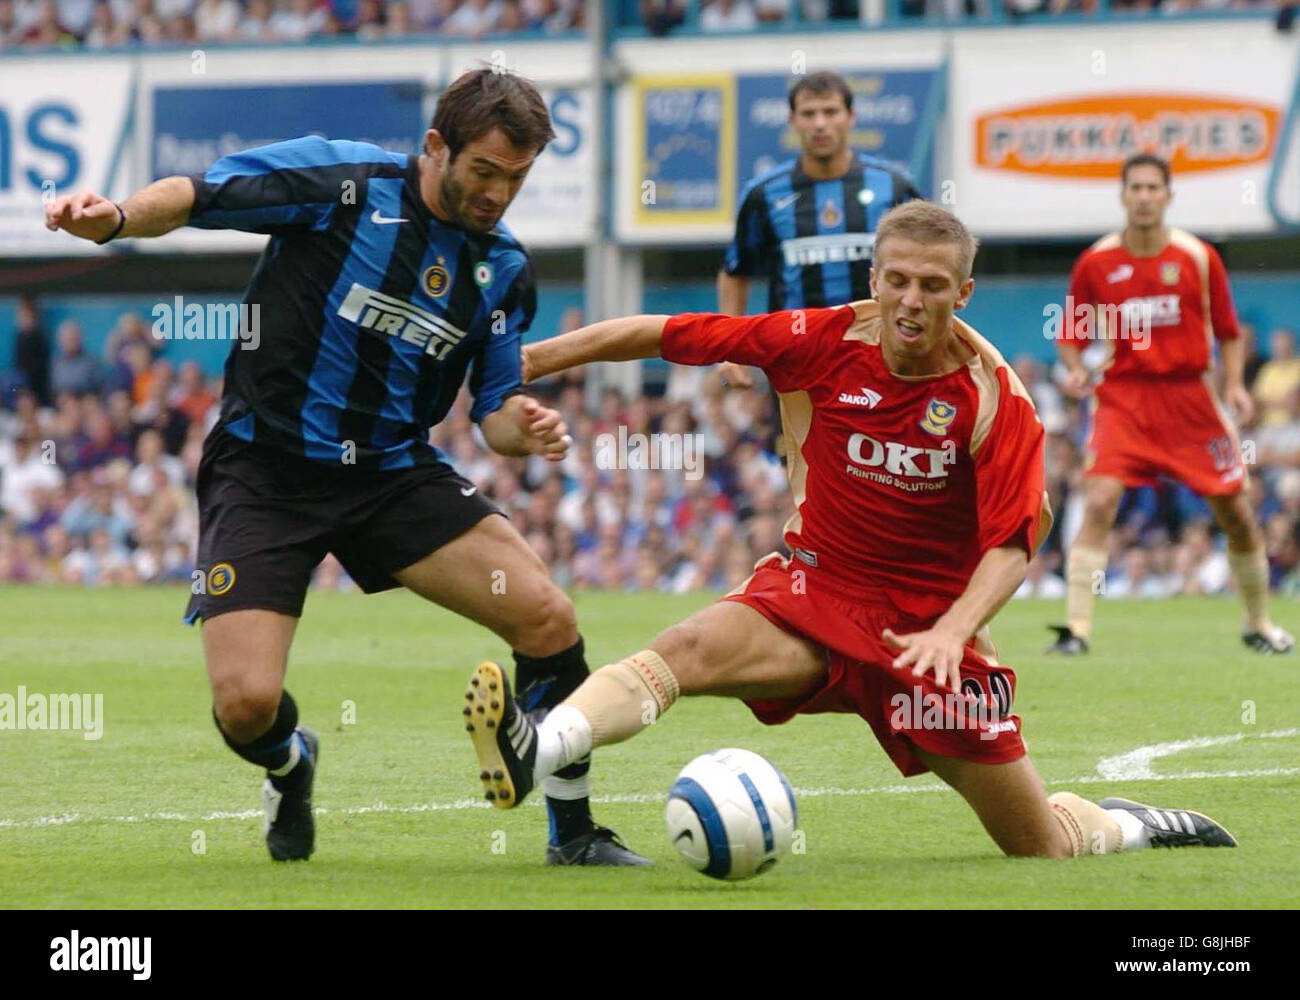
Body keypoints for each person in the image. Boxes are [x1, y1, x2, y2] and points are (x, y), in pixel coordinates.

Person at [465, 201, 1237, 859]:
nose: (910, 299)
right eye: (896, 279)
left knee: (1039, 847)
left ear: (962, 292)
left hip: (928, 643)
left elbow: (1011, 547)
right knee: (685, 650)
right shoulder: (823, 340)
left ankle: (1132, 824)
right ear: (874, 281)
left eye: (932, 285)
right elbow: (670, 334)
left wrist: (953, 632)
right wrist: (526, 360)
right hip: (815, 592)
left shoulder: (994, 398)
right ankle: (542, 743)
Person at [43, 68, 648, 867]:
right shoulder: (344, 185)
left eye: (517, 178)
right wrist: (116, 218)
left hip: (393, 475)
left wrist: (523, 427)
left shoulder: (501, 268)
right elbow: (199, 193)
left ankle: (574, 836)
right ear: (436, 147)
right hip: (265, 468)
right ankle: (292, 765)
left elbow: (493, 409)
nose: (499, 194)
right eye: (485, 172)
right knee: (246, 706)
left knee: (549, 620)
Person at [1049, 154, 1293, 656]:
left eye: (1152, 188)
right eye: (1134, 187)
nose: (1143, 196)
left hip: (1190, 400)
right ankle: (1077, 630)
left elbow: (1227, 332)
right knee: (1097, 502)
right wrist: (1074, 368)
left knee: (1236, 512)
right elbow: (1072, 334)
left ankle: (1258, 622)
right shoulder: (1096, 263)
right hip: (1124, 400)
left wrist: (1233, 389)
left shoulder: (1197, 258)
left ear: (1167, 195)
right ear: (1123, 195)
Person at [714, 70, 920, 391]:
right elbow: (735, 272)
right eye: (809, 114)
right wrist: (730, 351)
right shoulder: (764, 195)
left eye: (830, 112)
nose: (820, 123)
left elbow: (925, 266)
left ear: (851, 117)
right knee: (797, 443)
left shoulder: (894, 187)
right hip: (795, 362)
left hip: (881, 360)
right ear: (792, 121)